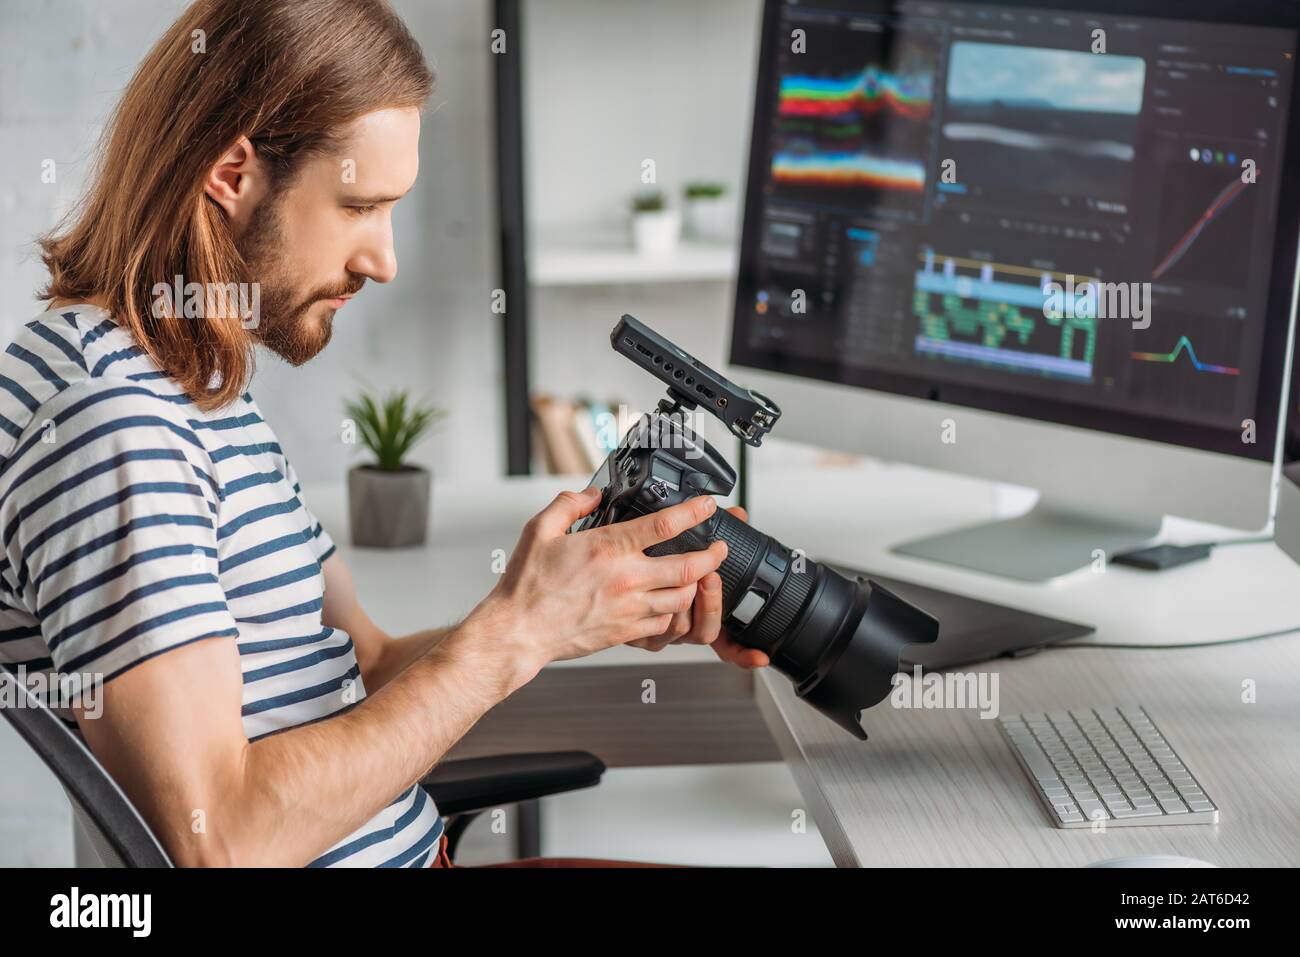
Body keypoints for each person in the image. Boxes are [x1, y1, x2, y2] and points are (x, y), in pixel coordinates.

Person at [0, 0, 768, 868]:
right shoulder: (111, 422)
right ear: (231, 171)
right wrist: (514, 635)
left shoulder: (189, 380)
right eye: (359, 205)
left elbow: (361, 667)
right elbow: (219, 840)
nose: (384, 259)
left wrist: (574, 609)